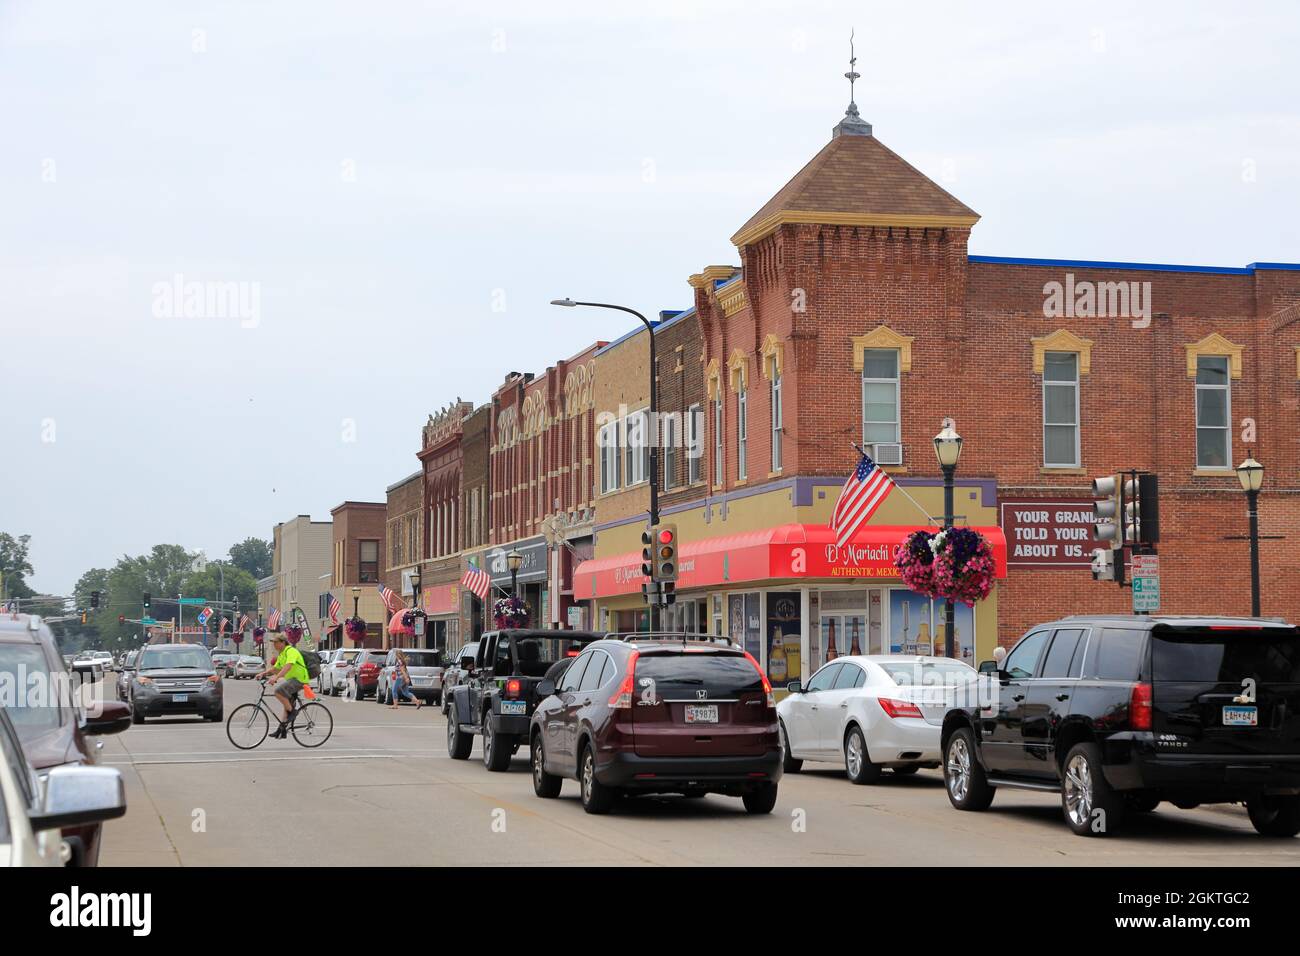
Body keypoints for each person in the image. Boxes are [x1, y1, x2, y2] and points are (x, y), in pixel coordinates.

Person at [257, 633, 310, 738]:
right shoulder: (282, 654)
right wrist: (263, 673)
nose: (274, 645)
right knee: (286, 705)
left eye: (276, 643)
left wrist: (276, 678)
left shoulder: (291, 651)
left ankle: (293, 712)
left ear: (283, 642)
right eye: (273, 643)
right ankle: (281, 730)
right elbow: (275, 668)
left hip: (299, 679)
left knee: (278, 692)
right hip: (292, 680)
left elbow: (288, 666)